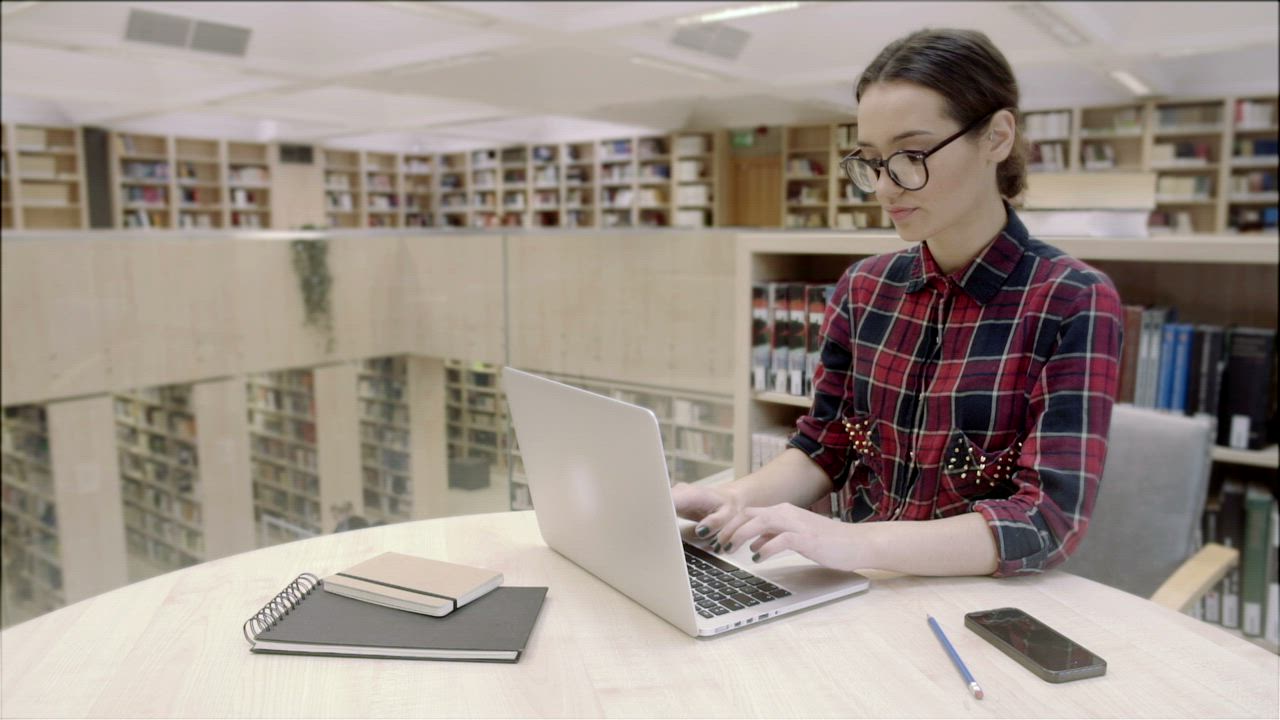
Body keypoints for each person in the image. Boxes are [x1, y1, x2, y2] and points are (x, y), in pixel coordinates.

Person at [671, 28, 1124, 578]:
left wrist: (854, 543)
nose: (886, 188)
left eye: (911, 154)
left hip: (971, 604)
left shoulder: (1072, 300)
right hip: (855, 588)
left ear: (997, 137)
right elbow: (825, 445)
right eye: (871, 161)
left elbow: (1045, 519)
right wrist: (734, 500)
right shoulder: (864, 288)